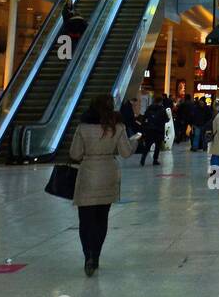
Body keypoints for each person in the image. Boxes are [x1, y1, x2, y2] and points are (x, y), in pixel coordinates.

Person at [68, 95, 133, 276]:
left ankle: (87, 254)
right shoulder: (117, 127)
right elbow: (126, 152)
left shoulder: (83, 127)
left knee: (85, 220)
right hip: (108, 173)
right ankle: (95, 256)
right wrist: (135, 140)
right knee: (101, 219)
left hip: (88, 173)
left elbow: (74, 153)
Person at [137, 99, 163, 165]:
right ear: (160, 102)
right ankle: (155, 160)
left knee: (148, 145)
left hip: (150, 130)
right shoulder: (161, 110)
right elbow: (165, 119)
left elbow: (144, 119)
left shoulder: (149, 109)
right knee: (157, 146)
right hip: (158, 130)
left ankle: (143, 158)